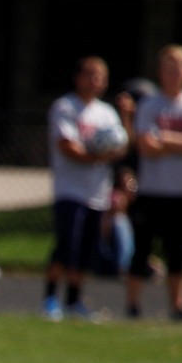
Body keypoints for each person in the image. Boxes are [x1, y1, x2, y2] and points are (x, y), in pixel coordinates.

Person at [117, 45, 182, 321]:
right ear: (160, 72)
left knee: (177, 253)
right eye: (168, 68)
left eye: (178, 68)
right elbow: (146, 146)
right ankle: (132, 305)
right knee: (141, 249)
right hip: (151, 190)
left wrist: (165, 139)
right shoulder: (149, 105)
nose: (173, 74)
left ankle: (178, 305)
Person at [43, 56, 130, 321]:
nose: (95, 81)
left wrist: (127, 117)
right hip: (70, 190)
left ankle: (73, 301)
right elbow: (68, 145)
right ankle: (49, 298)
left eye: (100, 76)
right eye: (90, 75)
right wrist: (97, 155)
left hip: (97, 193)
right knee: (66, 246)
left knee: (84, 251)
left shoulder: (107, 113)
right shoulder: (65, 107)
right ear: (78, 77)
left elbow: (121, 146)